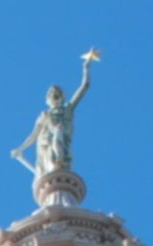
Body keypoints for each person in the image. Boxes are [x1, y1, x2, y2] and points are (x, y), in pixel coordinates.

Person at [12, 49, 100, 179]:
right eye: (51, 94)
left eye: (56, 93)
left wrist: (85, 69)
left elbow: (84, 86)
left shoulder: (67, 109)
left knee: (58, 136)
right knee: (50, 165)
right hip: (45, 144)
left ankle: (59, 164)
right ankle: (55, 167)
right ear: (48, 99)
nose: (53, 95)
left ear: (61, 97)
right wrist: (21, 148)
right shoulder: (44, 115)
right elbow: (34, 134)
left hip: (61, 142)